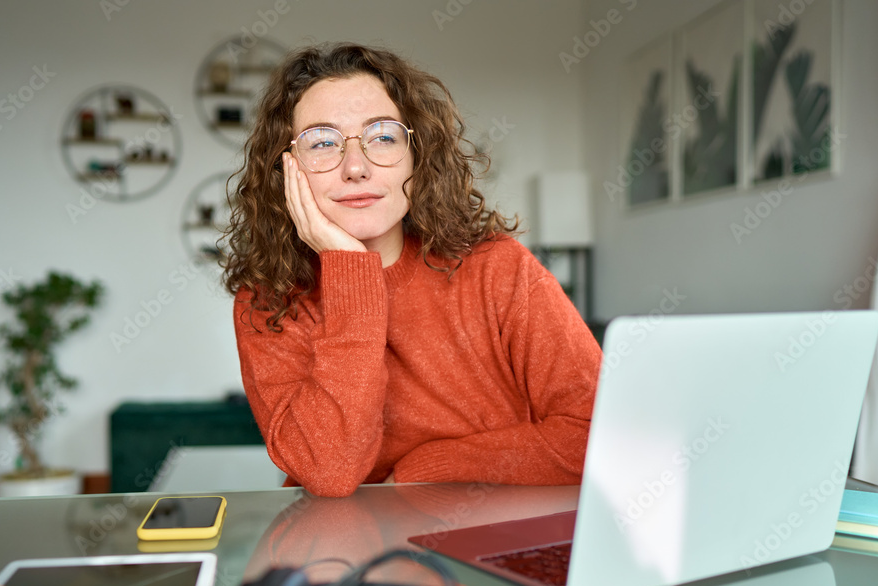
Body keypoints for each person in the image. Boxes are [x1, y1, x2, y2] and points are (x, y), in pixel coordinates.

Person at [223, 43, 602, 497]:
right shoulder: (269, 302)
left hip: (490, 537)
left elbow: (600, 435)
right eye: (322, 142)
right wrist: (349, 270)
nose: (356, 167)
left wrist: (430, 468)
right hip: (344, 549)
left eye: (382, 136)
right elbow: (329, 472)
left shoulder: (498, 268)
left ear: (416, 155)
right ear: (285, 170)